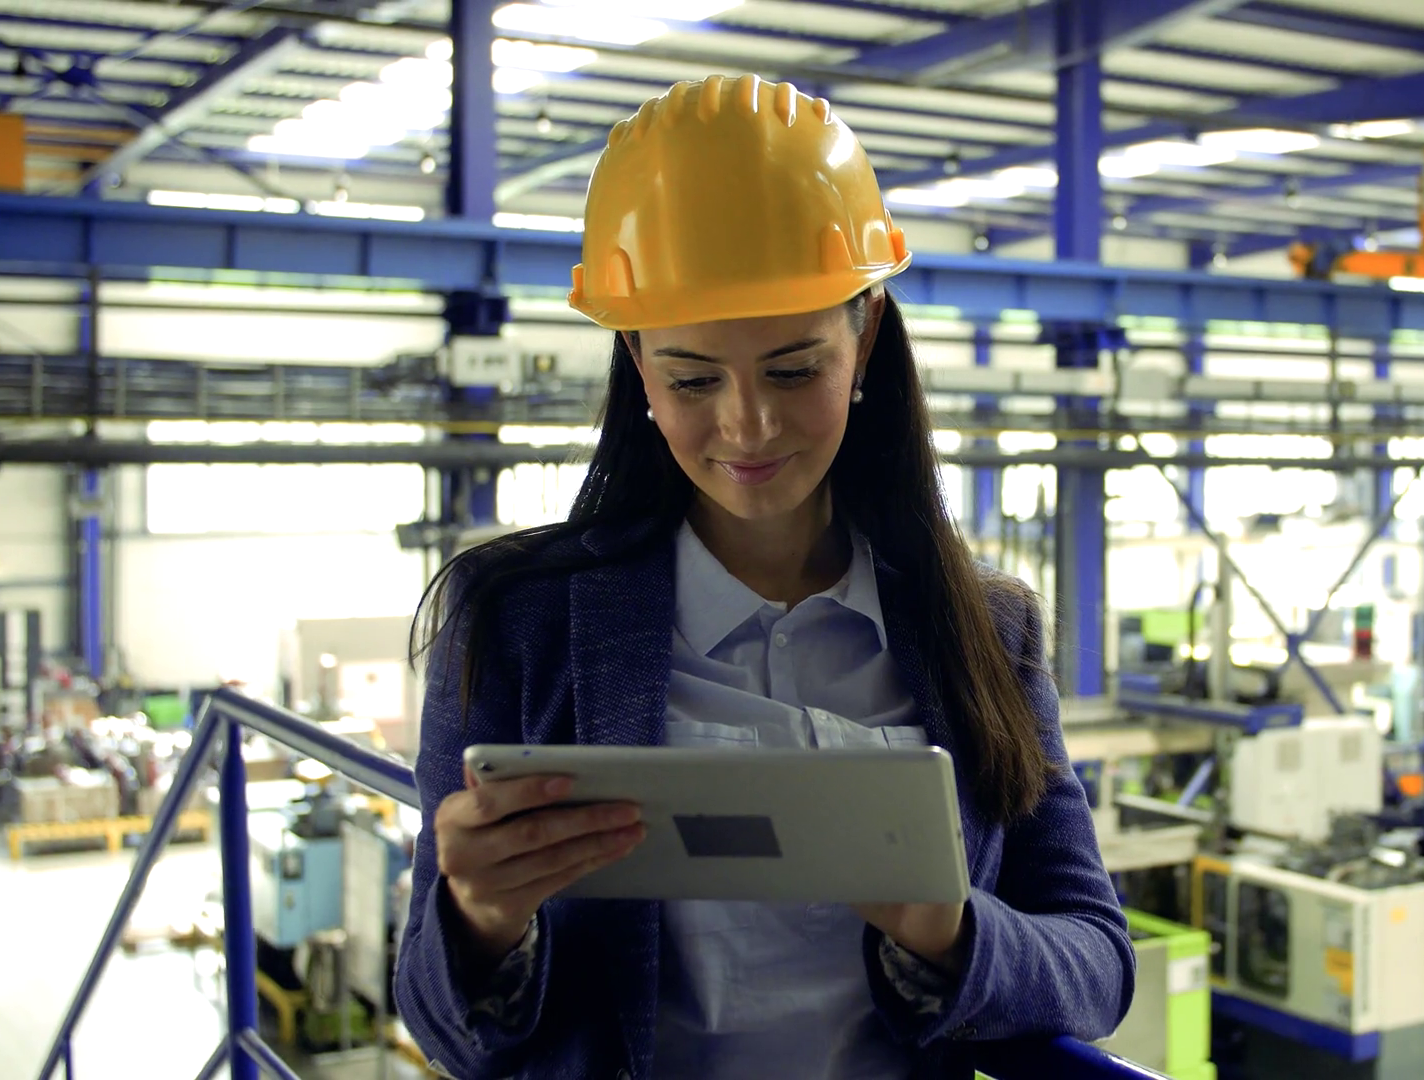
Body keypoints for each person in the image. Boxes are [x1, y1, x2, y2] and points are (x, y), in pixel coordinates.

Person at [393, 73, 1135, 1080]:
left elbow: (1097, 964)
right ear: (637, 365)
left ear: (865, 337)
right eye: (692, 378)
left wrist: (952, 935)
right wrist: (476, 922)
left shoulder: (986, 632)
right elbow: (441, 1025)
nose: (747, 427)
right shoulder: (519, 626)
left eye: (794, 369)